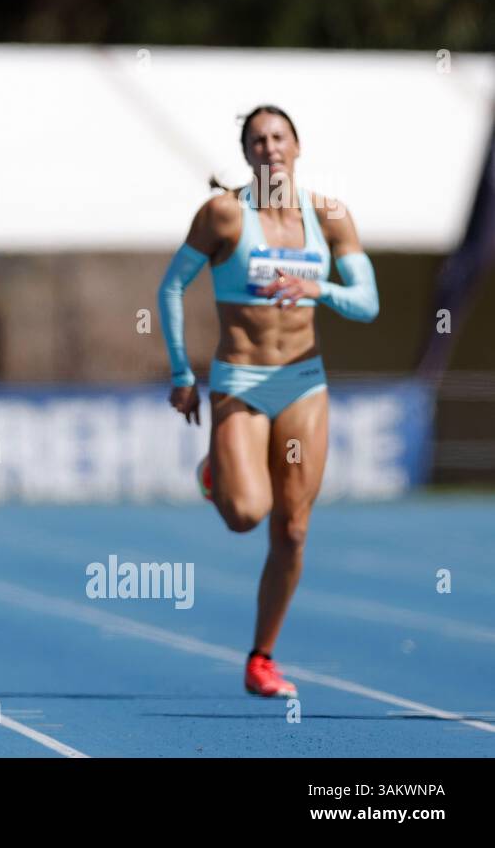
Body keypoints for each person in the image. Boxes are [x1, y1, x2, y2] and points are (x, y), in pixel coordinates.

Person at [157, 104, 379, 697]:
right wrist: (183, 373)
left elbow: (367, 302)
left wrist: (319, 288)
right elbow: (172, 286)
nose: (270, 147)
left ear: (298, 146)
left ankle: (262, 657)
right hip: (241, 380)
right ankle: (218, 471)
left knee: (295, 529)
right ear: (247, 153)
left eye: (279, 136)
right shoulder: (225, 215)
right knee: (245, 514)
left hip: (303, 381)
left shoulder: (330, 217)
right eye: (258, 140)